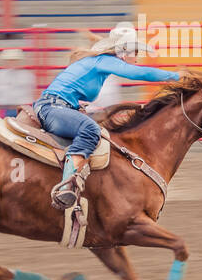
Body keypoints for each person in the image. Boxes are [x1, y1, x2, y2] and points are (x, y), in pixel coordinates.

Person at [32, 21, 181, 210]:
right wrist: (176, 76)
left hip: (55, 107)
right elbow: (138, 73)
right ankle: (67, 184)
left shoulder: (98, 62)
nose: (137, 57)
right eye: (135, 52)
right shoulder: (105, 61)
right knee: (90, 129)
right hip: (53, 108)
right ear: (125, 51)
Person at [0, 47, 36, 118]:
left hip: (21, 109)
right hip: (4, 109)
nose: (12, 62)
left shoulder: (27, 75)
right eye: (10, 60)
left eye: (14, 60)